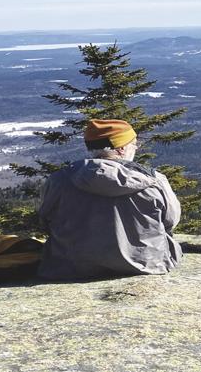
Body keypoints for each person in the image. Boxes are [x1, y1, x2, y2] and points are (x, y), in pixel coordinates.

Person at [36, 118, 182, 280]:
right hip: (147, 264)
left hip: (71, 266)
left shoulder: (58, 180)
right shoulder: (155, 180)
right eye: (134, 143)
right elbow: (170, 221)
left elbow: (45, 220)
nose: (136, 147)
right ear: (121, 148)